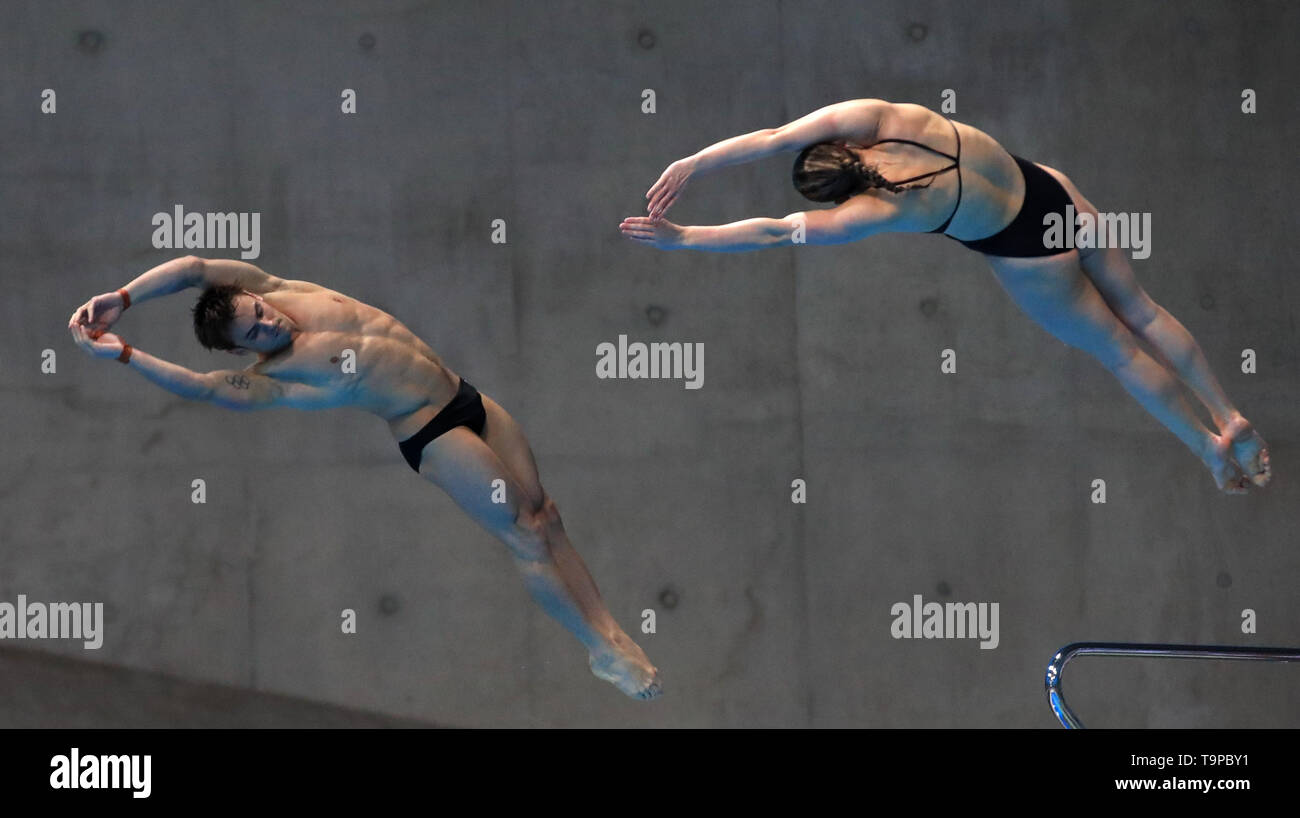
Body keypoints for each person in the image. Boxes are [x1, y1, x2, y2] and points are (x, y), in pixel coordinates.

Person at [68, 255, 661, 699]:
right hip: (430, 431)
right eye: (254, 333)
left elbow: (195, 267)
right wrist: (123, 353)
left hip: (465, 395)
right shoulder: (277, 378)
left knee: (547, 516)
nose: (268, 324)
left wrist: (123, 296)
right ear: (241, 351)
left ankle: (608, 635)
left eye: (259, 313)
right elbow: (199, 387)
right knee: (524, 535)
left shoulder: (281, 289)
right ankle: (596, 647)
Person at [620, 98, 1269, 493]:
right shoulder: (886, 117)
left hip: (1026, 254)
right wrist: (694, 163)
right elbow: (773, 139)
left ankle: (1208, 450)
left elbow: (768, 234)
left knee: (1121, 355)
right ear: (841, 143)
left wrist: (682, 239)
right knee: (1143, 311)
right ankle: (1226, 408)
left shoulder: (869, 212)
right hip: (1054, 193)